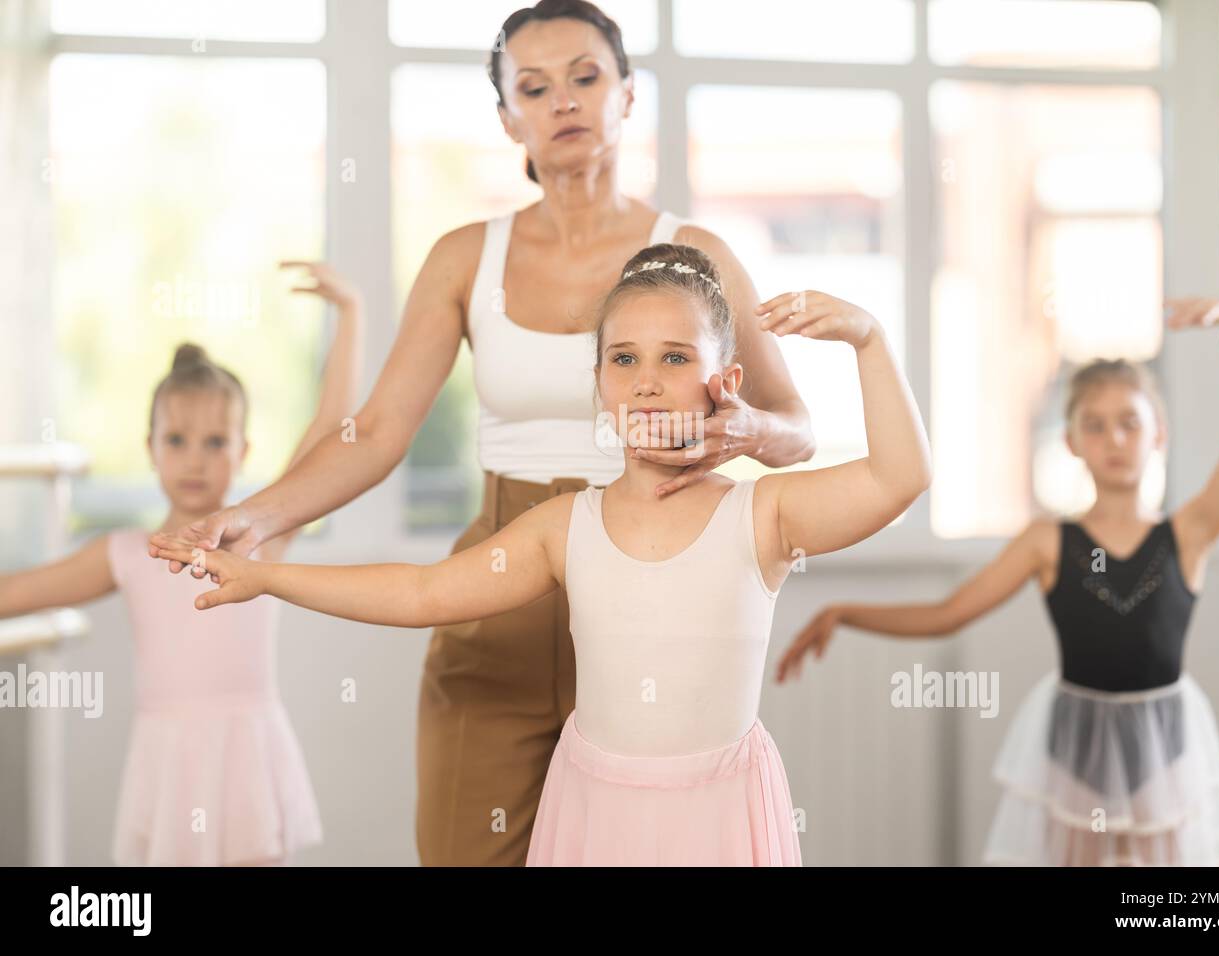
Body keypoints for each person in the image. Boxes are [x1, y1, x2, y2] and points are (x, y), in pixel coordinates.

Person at [148, 0, 815, 866]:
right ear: (508, 118)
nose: (564, 102)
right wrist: (261, 517)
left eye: (586, 77)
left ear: (628, 95)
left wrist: (744, 429)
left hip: (659, 582)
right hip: (500, 567)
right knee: (467, 846)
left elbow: (797, 431)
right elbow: (379, 428)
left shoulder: (697, 255)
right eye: (533, 87)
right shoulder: (467, 255)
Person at [151, 242, 932, 865]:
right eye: (624, 359)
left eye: (675, 358)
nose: (648, 382)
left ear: (725, 382)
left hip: (719, 817)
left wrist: (869, 338)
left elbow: (901, 476)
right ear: (598, 386)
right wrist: (267, 575)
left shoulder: (763, 515)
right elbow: (424, 595)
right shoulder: (564, 527)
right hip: (596, 814)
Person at [777, 297, 1219, 865]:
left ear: (1157, 433)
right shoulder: (1047, 541)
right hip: (1075, 754)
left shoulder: (1190, 533)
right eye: (1096, 425)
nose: (1113, 439)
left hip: (1166, 752)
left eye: (1129, 423)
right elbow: (950, 613)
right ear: (1071, 441)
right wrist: (844, 612)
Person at [0, 262, 364, 865]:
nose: (195, 460)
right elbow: (20, 591)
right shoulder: (123, 552)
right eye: (177, 440)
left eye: (216, 442)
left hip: (245, 757)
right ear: (150, 448)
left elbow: (334, 430)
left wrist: (350, 313)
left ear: (243, 451)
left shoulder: (258, 538)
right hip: (168, 764)